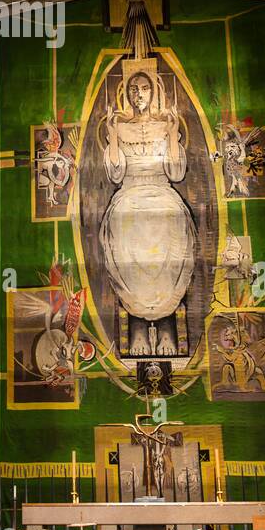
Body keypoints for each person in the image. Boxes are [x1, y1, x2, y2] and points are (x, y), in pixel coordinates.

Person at [100, 68, 196, 356]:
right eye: (132, 89)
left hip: (161, 190)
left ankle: (166, 328)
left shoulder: (165, 123)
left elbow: (176, 173)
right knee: (124, 222)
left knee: (172, 221)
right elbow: (116, 174)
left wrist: (172, 132)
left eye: (144, 88)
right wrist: (113, 135)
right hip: (129, 193)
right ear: (126, 94)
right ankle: (138, 329)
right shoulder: (119, 124)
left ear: (154, 92)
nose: (138, 93)